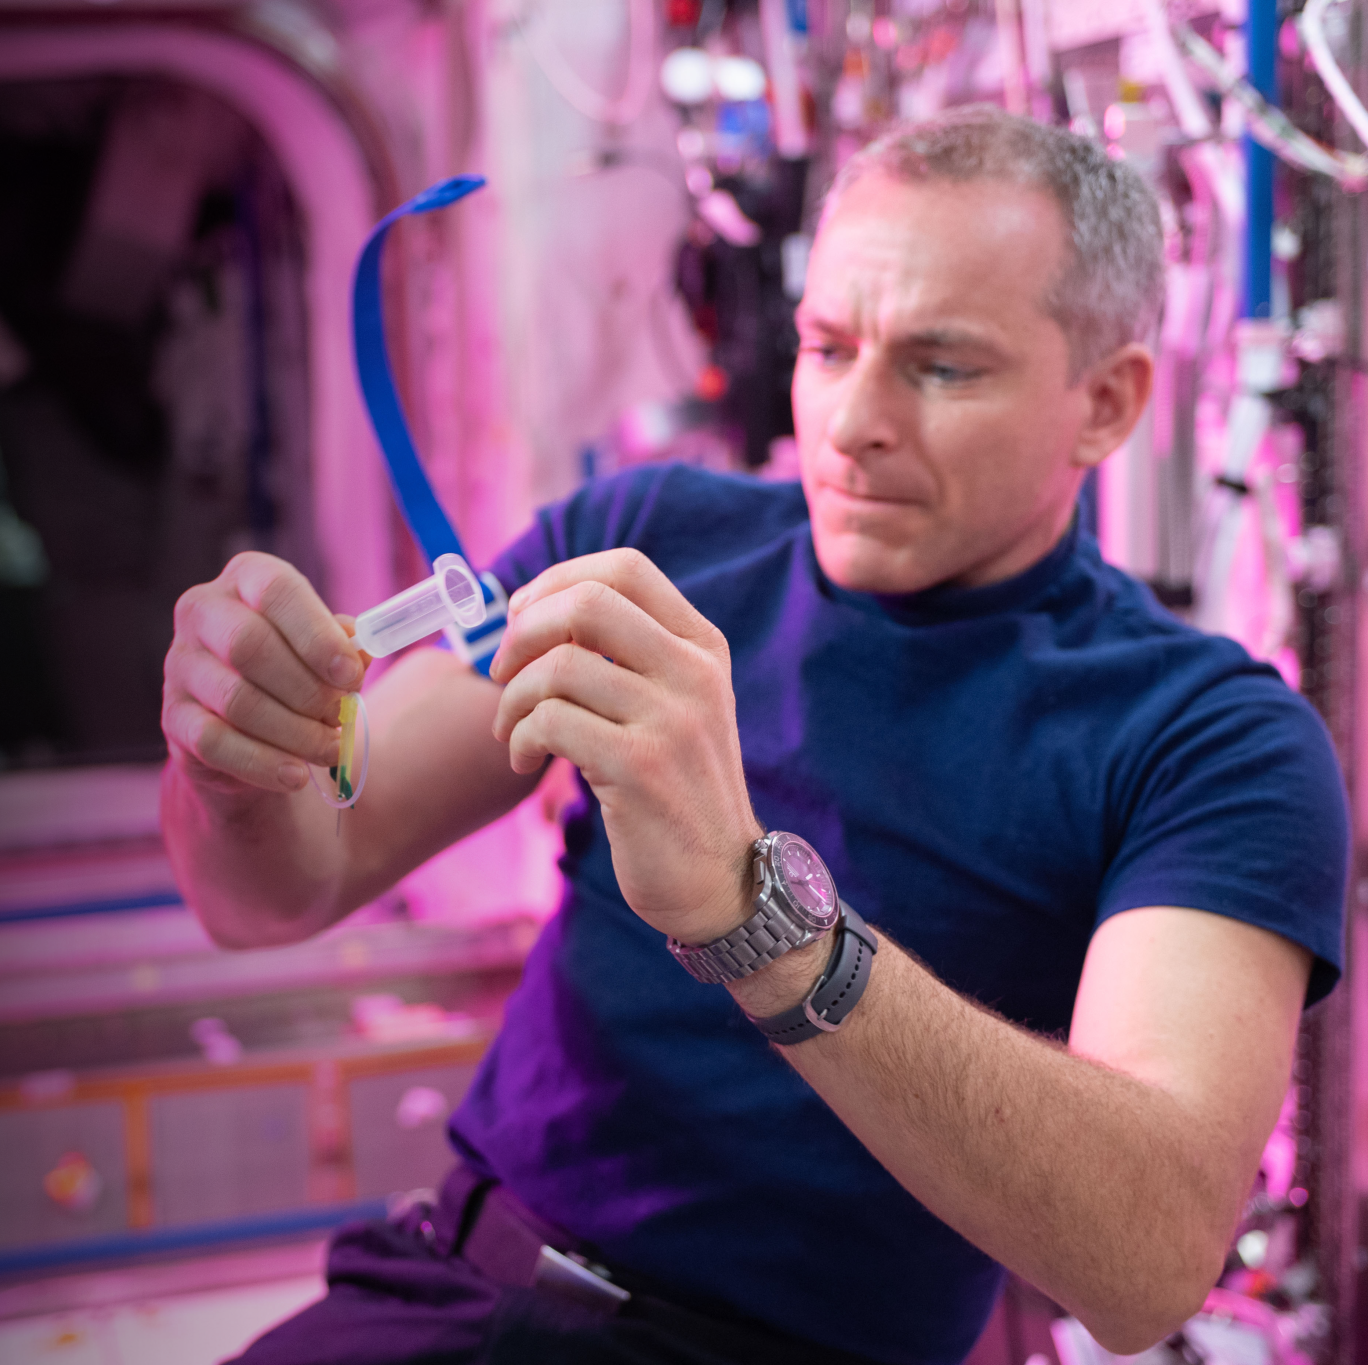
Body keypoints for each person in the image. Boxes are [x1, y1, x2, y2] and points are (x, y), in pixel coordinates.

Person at [157, 107, 1348, 1365]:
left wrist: (753, 920)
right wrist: (239, 757)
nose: (851, 422)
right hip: (447, 1296)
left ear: (1103, 403)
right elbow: (282, 890)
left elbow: (1147, 1259)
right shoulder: (647, 545)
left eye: (941, 367)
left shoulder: (1208, 741)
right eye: (827, 347)